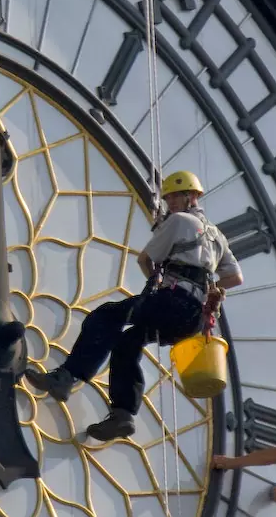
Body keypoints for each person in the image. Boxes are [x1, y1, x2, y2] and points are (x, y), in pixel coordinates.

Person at [23, 170, 243, 440]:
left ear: (191, 198)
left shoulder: (179, 222)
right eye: (169, 198)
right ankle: (123, 415)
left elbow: (145, 259)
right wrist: (212, 289)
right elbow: (235, 277)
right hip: (192, 318)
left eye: (175, 198)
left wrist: (156, 281)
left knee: (106, 316)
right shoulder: (217, 236)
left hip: (171, 300)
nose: (171, 203)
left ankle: (66, 377)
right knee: (129, 342)